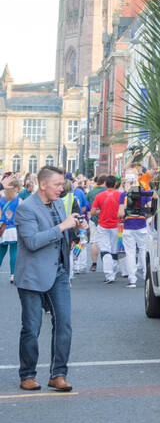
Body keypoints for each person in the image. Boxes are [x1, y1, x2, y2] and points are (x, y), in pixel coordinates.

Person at [14, 165, 86, 391]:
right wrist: (62, 226)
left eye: (62, 184)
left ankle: (58, 374)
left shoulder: (58, 204)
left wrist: (75, 226)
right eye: (57, 185)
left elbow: (63, 235)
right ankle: (27, 375)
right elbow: (32, 242)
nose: (61, 189)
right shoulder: (26, 208)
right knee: (31, 328)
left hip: (59, 273)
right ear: (42, 184)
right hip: (33, 276)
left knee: (64, 323)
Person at [91, 176, 127, 282]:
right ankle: (113, 273)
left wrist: (101, 211)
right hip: (116, 225)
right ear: (115, 184)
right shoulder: (120, 195)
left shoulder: (99, 196)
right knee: (114, 250)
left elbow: (93, 212)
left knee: (105, 250)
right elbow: (124, 210)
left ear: (105, 184)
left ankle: (108, 275)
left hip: (103, 225)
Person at [119, 181, 152, 287]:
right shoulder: (145, 193)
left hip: (128, 226)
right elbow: (149, 210)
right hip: (141, 225)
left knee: (130, 253)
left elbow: (121, 214)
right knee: (143, 251)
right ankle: (147, 276)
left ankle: (132, 280)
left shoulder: (124, 194)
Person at [1, 180, 21, 282]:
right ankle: (13, 275)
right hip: (14, 229)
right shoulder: (18, 200)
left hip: (4, 228)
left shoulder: (1, 200)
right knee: (14, 253)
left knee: (1, 252)